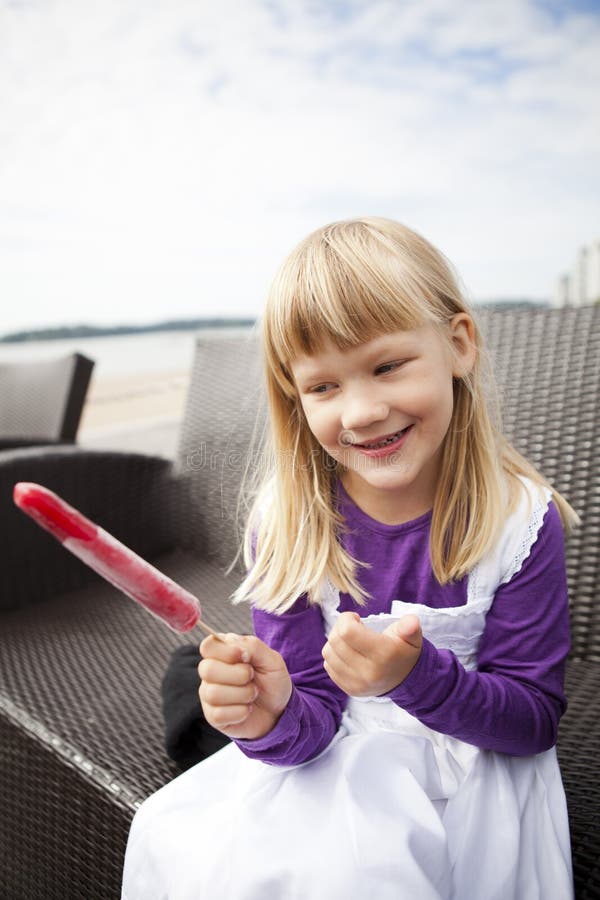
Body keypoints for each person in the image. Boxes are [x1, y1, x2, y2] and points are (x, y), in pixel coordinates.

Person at [122, 217, 578, 900]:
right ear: (294, 398)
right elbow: (307, 731)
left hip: (475, 773)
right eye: (324, 386)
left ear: (458, 346)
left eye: (387, 365)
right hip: (333, 763)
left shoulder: (519, 523)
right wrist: (266, 718)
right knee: (179, 842)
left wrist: (420, 678)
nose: (361, 412)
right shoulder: (288, 526)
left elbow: (533, 722)